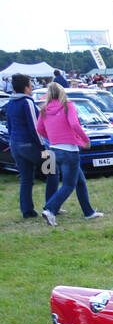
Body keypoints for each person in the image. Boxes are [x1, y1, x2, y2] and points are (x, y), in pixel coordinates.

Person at [36, 83, 102, 225]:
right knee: (69, 185)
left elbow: (39, 128)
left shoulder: (44, 109)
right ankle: (50, 209)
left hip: (53, 149)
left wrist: (52, 138)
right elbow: (74, 124)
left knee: (80, 181)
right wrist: (85, 140)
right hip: (69, 150)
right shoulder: (67, 105)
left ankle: (88, 212)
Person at [6, 74, 57, 220]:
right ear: (26, 87)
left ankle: (27, 211)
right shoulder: (26, 102)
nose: (32, 86)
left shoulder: (10, 103)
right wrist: (43, 147)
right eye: (30, 84)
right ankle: (51, 206)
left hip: (16, 145)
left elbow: (9, 126)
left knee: (26, 178)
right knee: (52, 171)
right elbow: (35, 128)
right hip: (30, 145)